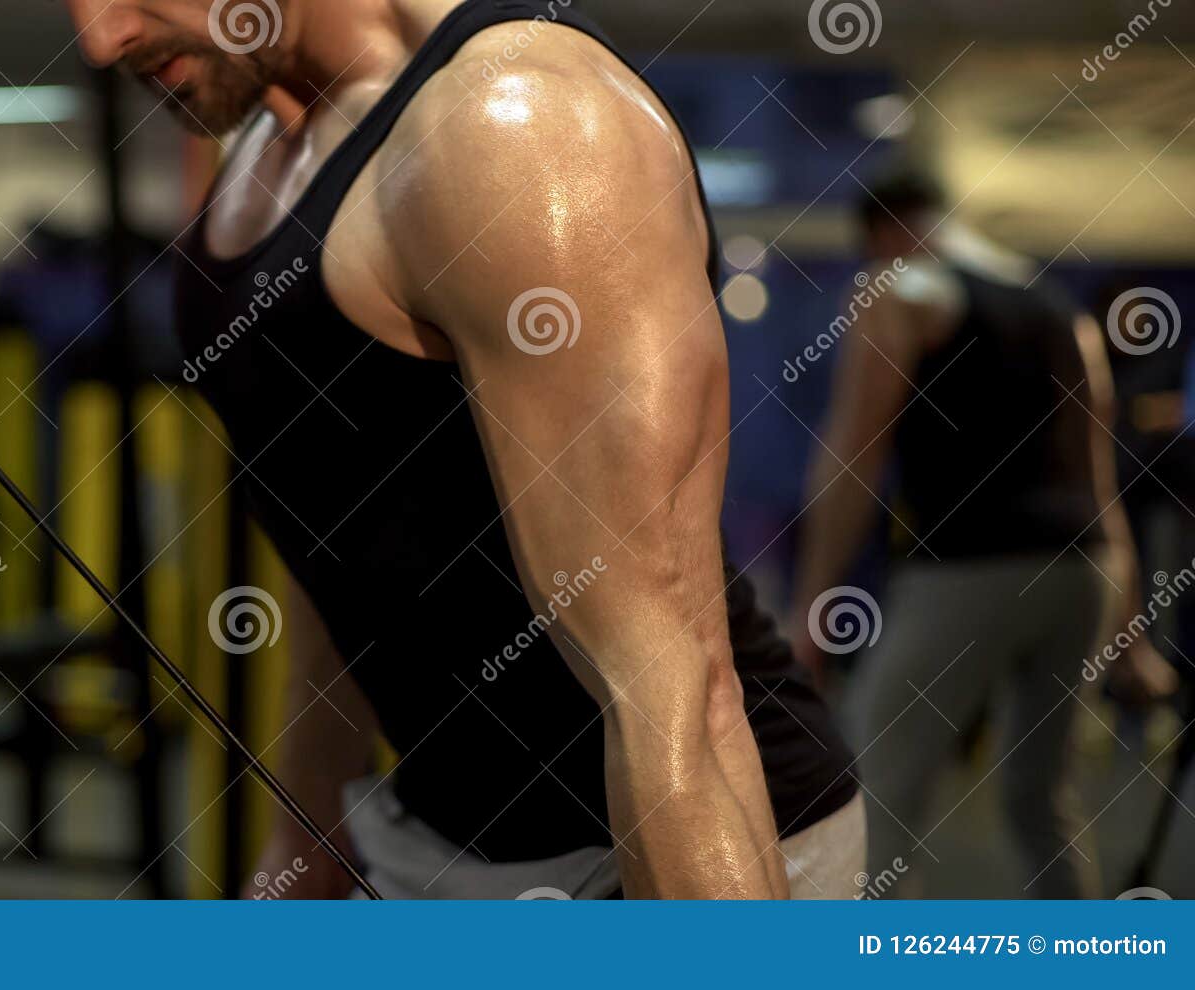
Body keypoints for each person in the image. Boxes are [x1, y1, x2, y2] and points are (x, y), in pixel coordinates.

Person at [64, 0, 859, 898]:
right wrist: (306, 839)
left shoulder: (517, 126)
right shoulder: (269, 140)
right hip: (439, 841)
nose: (101, 38)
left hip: (683, 851)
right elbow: (339, 534)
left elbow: (672, 685)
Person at [788, 171, 1178, 898]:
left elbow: (853, 455)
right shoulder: (1063, 313)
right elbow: (1100, 487)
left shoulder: (898, 288)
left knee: (878, 787)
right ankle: (1086, 952)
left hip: (969, 570)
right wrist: (1133, 634)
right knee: (1043, 797)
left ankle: (873, 952)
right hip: (1084, 573)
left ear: (883, 233)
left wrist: (812, 604)